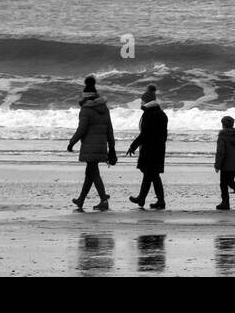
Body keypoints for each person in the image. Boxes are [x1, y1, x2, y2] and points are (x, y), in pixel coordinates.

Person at [68, 75, 117, 212]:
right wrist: (111, 147)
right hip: (101, 146)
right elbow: (109, 129)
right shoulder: (104, 108)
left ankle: (103, 200)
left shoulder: (86, 109)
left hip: (90, 147)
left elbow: (81, 129)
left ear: (85, 96)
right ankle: (81, 200)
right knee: (89, 173)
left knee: (93, 173)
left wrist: (71, 143)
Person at [126, 84, 168, 210]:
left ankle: (154, 200)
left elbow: (145, 134)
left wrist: (133, 146)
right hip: (158, 148)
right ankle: (145, 199)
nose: (141, 102)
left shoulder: (150, 114)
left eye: (142, 100)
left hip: (150, 149)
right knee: (151, 174)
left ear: (147, 101)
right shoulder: (160, 113)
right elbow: (163, 135)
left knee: (151, 174)